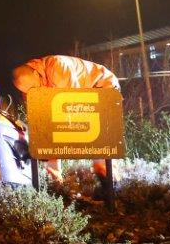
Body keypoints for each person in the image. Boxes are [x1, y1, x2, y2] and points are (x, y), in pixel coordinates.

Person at [12, 54, 119, 184]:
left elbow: (72, 102)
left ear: (36, 73)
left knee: (98, 146)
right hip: (76, 97)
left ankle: (111, 182)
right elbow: (38, 116)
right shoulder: (28, 86)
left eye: (35, 88)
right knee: (48, 140)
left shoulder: (58, 68)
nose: (34, 92)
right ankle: (56, 184)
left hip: (102, 87)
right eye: (29, 92)